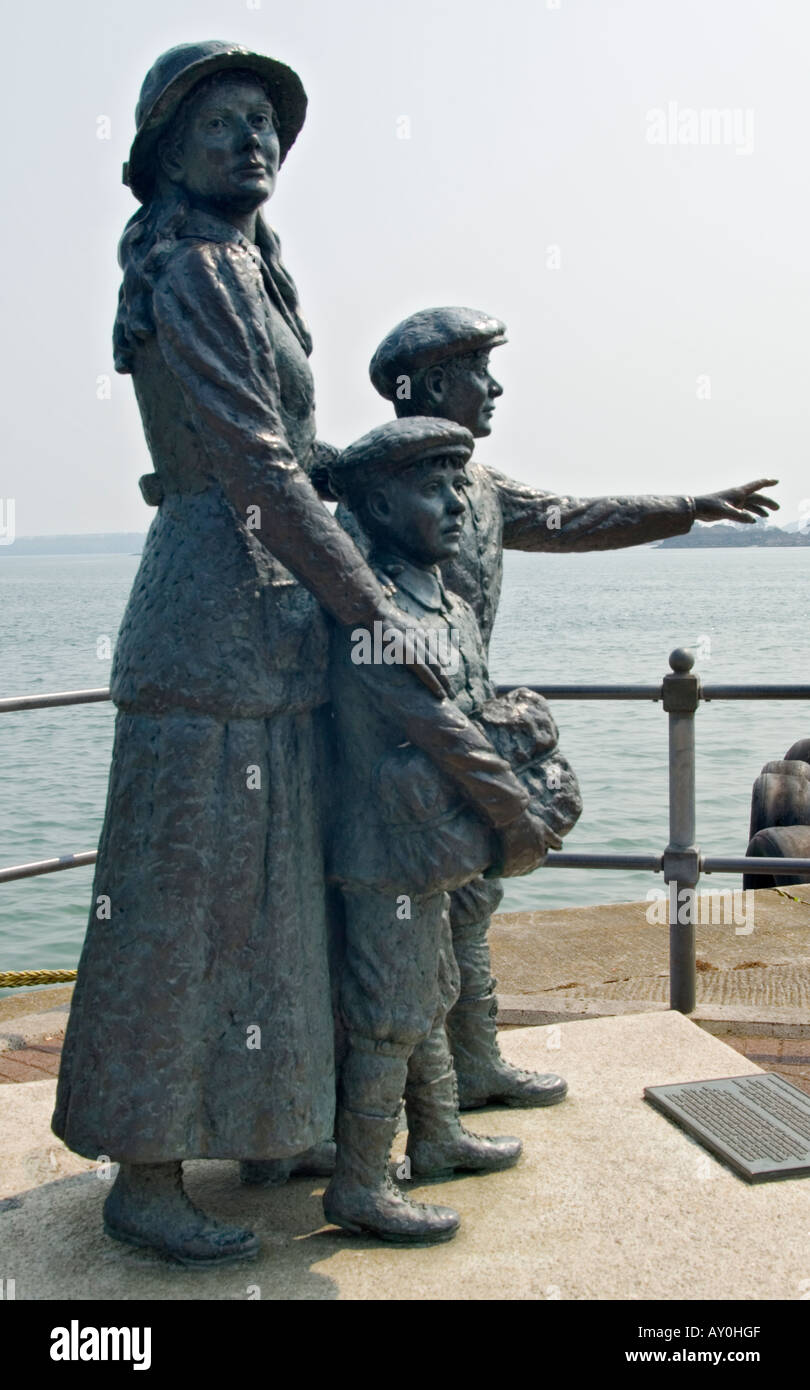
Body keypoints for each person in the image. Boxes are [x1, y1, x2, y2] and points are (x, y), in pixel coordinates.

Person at [51, 41, 447, 1268]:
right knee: (177, 906)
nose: (252, 140)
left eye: (264, 123)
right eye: (220, 122)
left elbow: (296, 461)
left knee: (261, 902)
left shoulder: (250, 271)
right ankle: (147, 1173)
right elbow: (256, 473)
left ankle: (264, 1127)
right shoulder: (201, 269)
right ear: (167, 152)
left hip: (260, 618)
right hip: (209, 622)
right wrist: (370, 608)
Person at [347, 306, 780, 1111]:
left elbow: (568, 518)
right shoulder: (373, 491)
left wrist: (686, 506)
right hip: (404, 744)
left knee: (471, 906)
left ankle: (470, 1072)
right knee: (405, 941)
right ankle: (394, 1116)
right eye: (481, 368)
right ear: (436, 382)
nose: (496, 386)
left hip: (465, 723)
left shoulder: (476, 481)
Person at [322, 416, 581, 1243]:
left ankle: (437, 1136)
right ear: (381, 506)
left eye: (459, 486)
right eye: (434, 490)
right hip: (386, 853)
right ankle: (360, 1183)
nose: (458, 506)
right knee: (390, 1010)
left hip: (443, 846)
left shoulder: (453, 603)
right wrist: (516, 813)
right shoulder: (369, 610)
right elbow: (432, 722)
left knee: (431, 991)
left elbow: (474, 712)